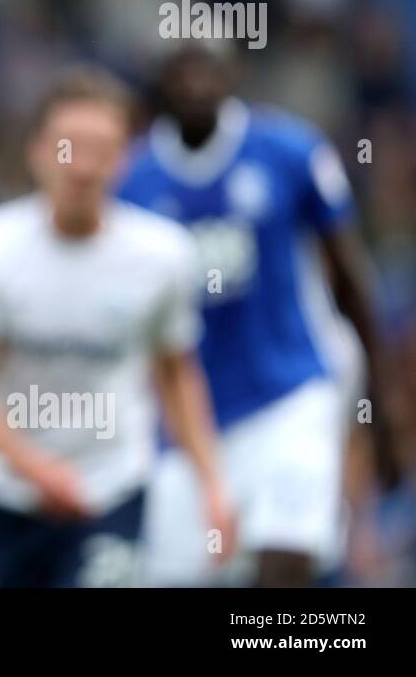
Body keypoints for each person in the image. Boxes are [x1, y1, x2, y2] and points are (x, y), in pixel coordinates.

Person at [0, 69, 232, 587]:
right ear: (35, 152)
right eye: (67, 147)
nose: (82, 166)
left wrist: (212, 484)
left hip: (113, 487)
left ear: (125, 157)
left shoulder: (163, 255)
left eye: (102, 148)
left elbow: (177, 376)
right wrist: (36, 470)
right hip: (13, 494)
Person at [118, 41, 391, 587]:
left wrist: (377, 403)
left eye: (207, 68)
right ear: (160, 82)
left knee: (285, 559)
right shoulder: (134, 182)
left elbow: (348, 277)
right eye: (181, 71)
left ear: (233, 73)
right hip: (188, 423)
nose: (195, 84)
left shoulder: (290, 153)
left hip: (288, 396)